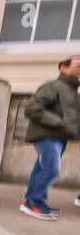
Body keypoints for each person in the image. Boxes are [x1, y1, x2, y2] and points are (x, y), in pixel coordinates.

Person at [21, 55, 80, 220]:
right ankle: (35, 203)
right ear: (63, 68)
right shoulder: (53, 87)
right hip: (47, 135)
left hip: (60, 138)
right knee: (52, 169)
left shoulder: (73, 93)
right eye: (78, 66)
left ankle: (31, 201)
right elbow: (32, 108)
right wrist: (58, 122)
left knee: (41, 168)